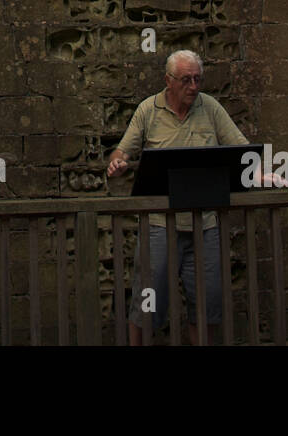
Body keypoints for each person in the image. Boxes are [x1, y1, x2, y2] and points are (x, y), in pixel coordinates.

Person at [107, 50, 264, 345]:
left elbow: (242, 151)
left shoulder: (211, 108)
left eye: (197, 79)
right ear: (168, 81)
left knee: (207, 303)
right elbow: (121, 150)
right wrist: (118, 161)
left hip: (204, 225)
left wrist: (262, 173)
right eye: (186, 80)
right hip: (158, 226)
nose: (193, 86)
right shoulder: (148, 110)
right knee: (147, 301)